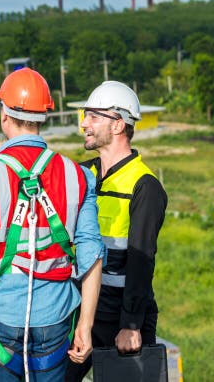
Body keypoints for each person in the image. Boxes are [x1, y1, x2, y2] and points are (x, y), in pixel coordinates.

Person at [0, 67, 104, 381]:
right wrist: (85, 326)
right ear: (44, 117)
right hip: (56, 316)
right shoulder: (79, 176)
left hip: (3, 315)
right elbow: (92, 254)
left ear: (4, 115)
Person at [64, 81, 167, 381]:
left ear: (119, 124)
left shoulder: (145, 186)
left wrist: (131, 324)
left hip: (123, 316)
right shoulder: (83, 174)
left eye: (94, 116)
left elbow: (141, 260)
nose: (85, 123)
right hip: (83, 311)